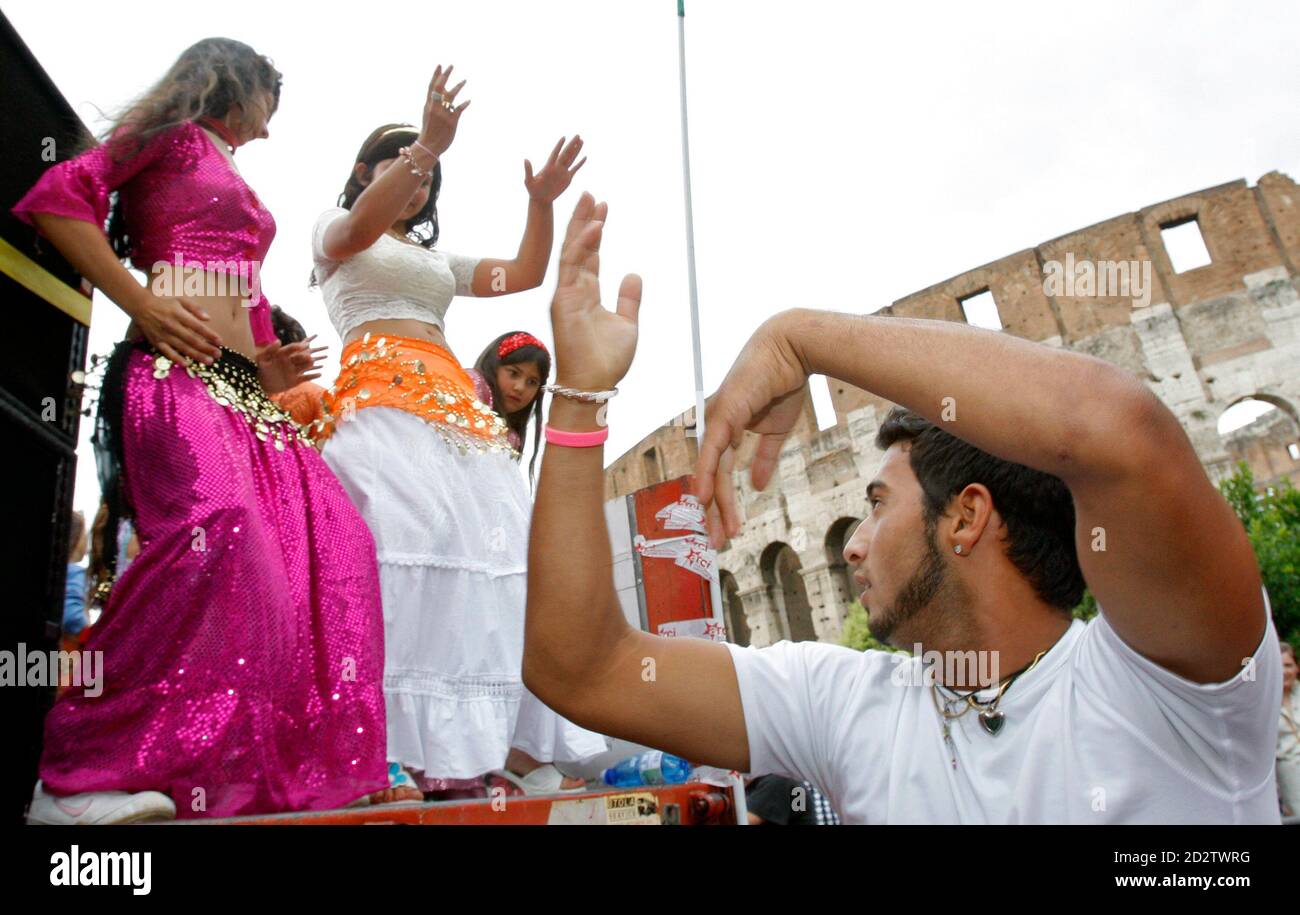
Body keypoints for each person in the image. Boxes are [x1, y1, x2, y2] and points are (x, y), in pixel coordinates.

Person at [521, 192, 1281, 824]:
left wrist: (800, 341)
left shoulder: (1173, 689)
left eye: (878, 505)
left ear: (966, 516)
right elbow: (579, 667)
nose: (854, 545)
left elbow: (1119, 431)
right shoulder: (843, 705)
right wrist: (581, 399)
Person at [13, 38, 388, 824]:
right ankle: (76, 775)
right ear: (235, 85)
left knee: (338, 540)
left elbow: (241, 292)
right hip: (171, 372)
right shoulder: (167, 137)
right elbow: (55, 198)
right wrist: (141, 303)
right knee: (218, 529)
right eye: (266, 109)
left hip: (238, 390)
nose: (269, 129)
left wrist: (267, 365)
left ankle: (248, 766)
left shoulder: (228, 168)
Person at [311, 66, 601, 799]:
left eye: (429, 181)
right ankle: (382, 745)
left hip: (460, 418)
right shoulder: (335, 231)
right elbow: (354, 228)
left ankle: (507, 742)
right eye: (404, 170)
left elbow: (526, 273)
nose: (419, 186)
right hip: (381, 404)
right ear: (364, 171)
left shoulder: (438, 261)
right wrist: (426, 149)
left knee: (501, 559)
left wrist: (539, 204)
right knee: (399, 553)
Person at [1278, 642, 1300, 816]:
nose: (1284, 671)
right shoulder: (1264, 702)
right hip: (1288, 775)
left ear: (1296, 667)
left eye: (1288, 665)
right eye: (1279, 666)